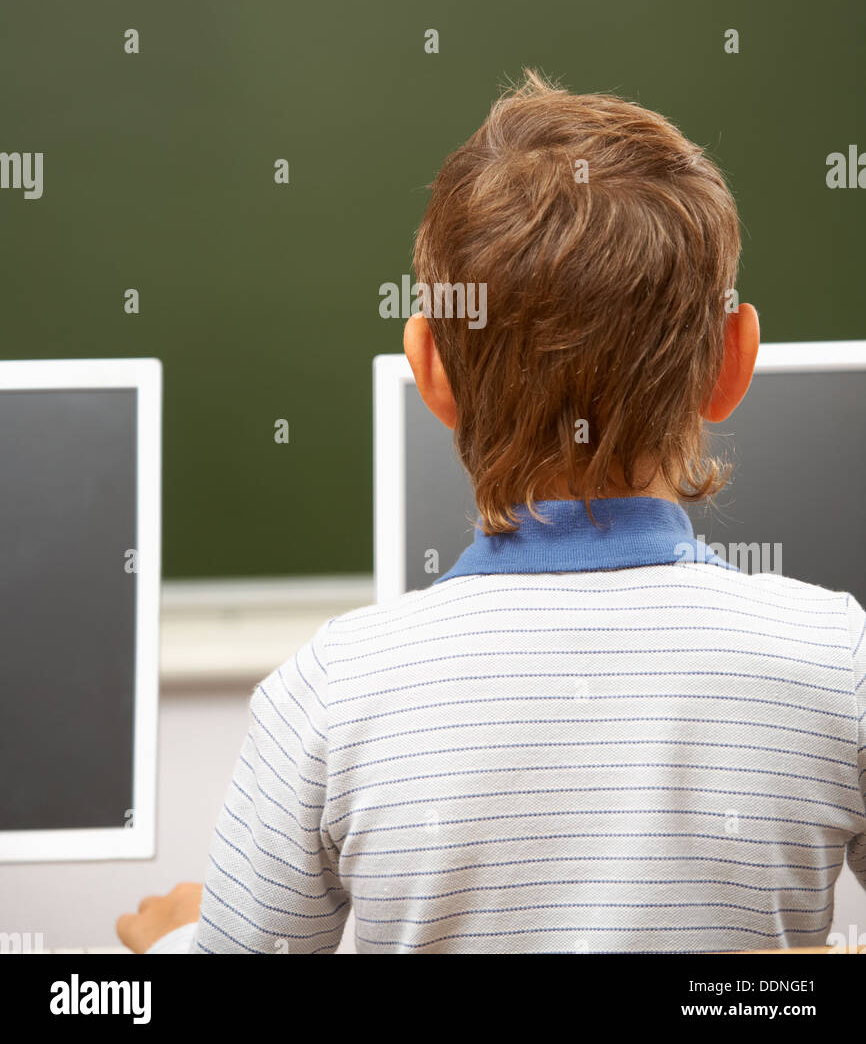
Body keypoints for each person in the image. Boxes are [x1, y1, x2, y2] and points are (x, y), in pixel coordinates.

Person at [118, 69, 866, 954]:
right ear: (733, 363)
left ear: (429, 370)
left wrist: (173, 944)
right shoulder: (837, 663)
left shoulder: (331, 691)